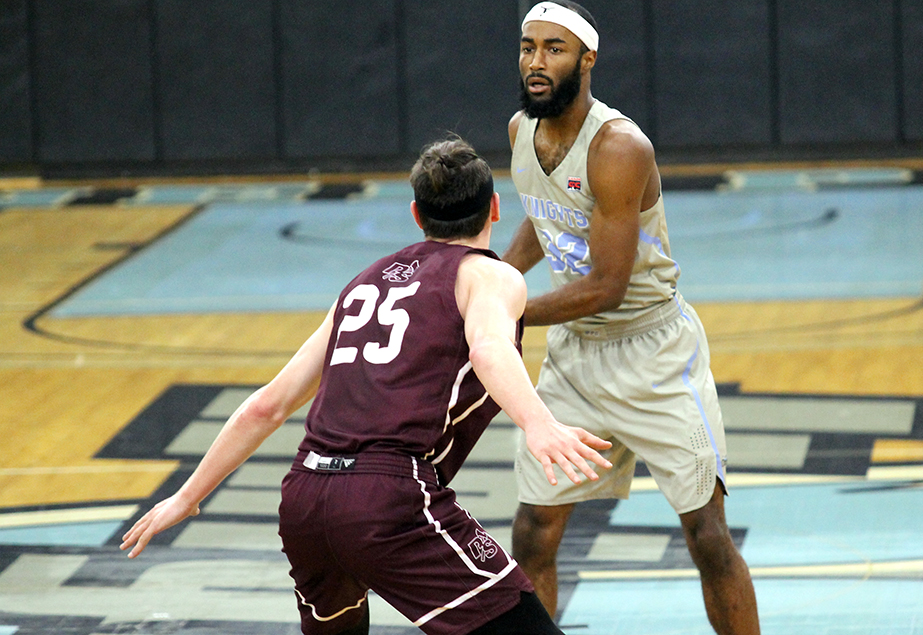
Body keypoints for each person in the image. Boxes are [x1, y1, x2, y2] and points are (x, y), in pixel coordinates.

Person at [120, 136, 614, 635]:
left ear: (418, 216)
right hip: (389, 497)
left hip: (305, 499)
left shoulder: (364, 282)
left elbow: (267, 407)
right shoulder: (490, 275)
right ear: (495, 208)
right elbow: (488, 347)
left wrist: (188, 495)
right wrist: (539, 423)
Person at [502, 3, 761, 634]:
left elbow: (608, 287)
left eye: (554, 49)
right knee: (533, 533)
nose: (537, 62)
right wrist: (496, 281)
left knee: (705, 534)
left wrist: (506, 315)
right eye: (528, 47)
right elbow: (545, 217)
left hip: (653, 354)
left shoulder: (619, 147)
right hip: (575, 357)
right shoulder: (520, 131)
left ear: (587, 59)